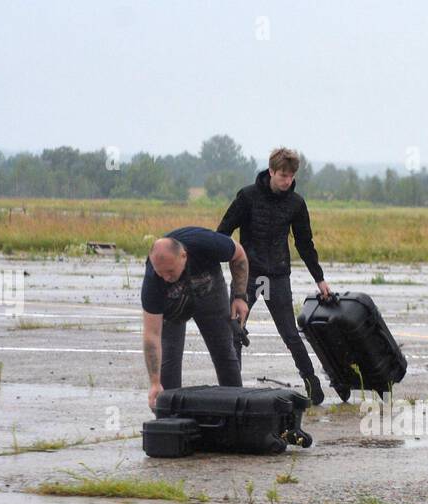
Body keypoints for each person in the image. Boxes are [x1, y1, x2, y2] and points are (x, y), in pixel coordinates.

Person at [218, 147, 330, 405]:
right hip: (249, 274)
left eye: (291, 176)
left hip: (278, 275)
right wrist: (211, 261)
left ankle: (311, 381)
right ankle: (232, 386)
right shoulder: (247, 197)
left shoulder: (296, 203)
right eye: (282, 175)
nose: (287, 181)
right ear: (271, 171)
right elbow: (223, 232)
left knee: (290, 332)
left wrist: (319, 278)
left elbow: (305, 243)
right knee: (234, 329)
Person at [140, 227, 250, 409]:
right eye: (161, 274)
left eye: (170, 271)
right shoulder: (154, 280)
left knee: (224, 352)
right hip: (173, 304)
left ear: (184, 256)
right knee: (168, 361)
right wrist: (154, 382)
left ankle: (236, 408)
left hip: (210, 292)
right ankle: (171, 414)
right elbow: (151, 335)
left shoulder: (205, 242)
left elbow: (239, 255)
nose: (166, 278)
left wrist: (239, 296)